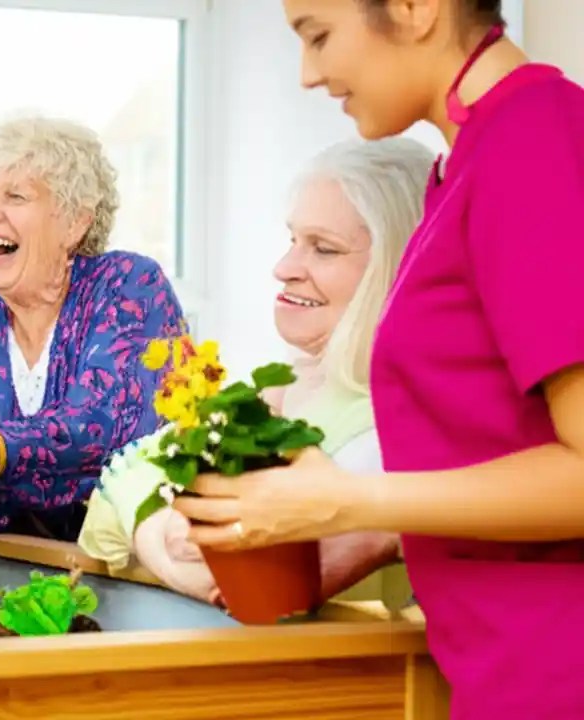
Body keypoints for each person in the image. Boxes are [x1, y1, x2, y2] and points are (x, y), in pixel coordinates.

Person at [176, 1, 584, 716]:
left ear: (413, 8)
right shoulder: (464, 165)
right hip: (502, 673)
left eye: (319, 35)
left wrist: (345, 503)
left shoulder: (537, 141)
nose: (308, 73)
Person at [78, 137, 433, 608]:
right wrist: (164, 537)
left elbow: (242, 576)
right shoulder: (290, 382)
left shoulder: (401, 421)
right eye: (293, 240)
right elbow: (119, 475)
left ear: (402, 268)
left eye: (324, 249)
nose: (283, 268)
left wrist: (154, 531)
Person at [0, 115, 187, 539]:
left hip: (126, 577)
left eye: (16, 196)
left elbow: (95, 435)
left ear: (74, 221)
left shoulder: (128, 287)